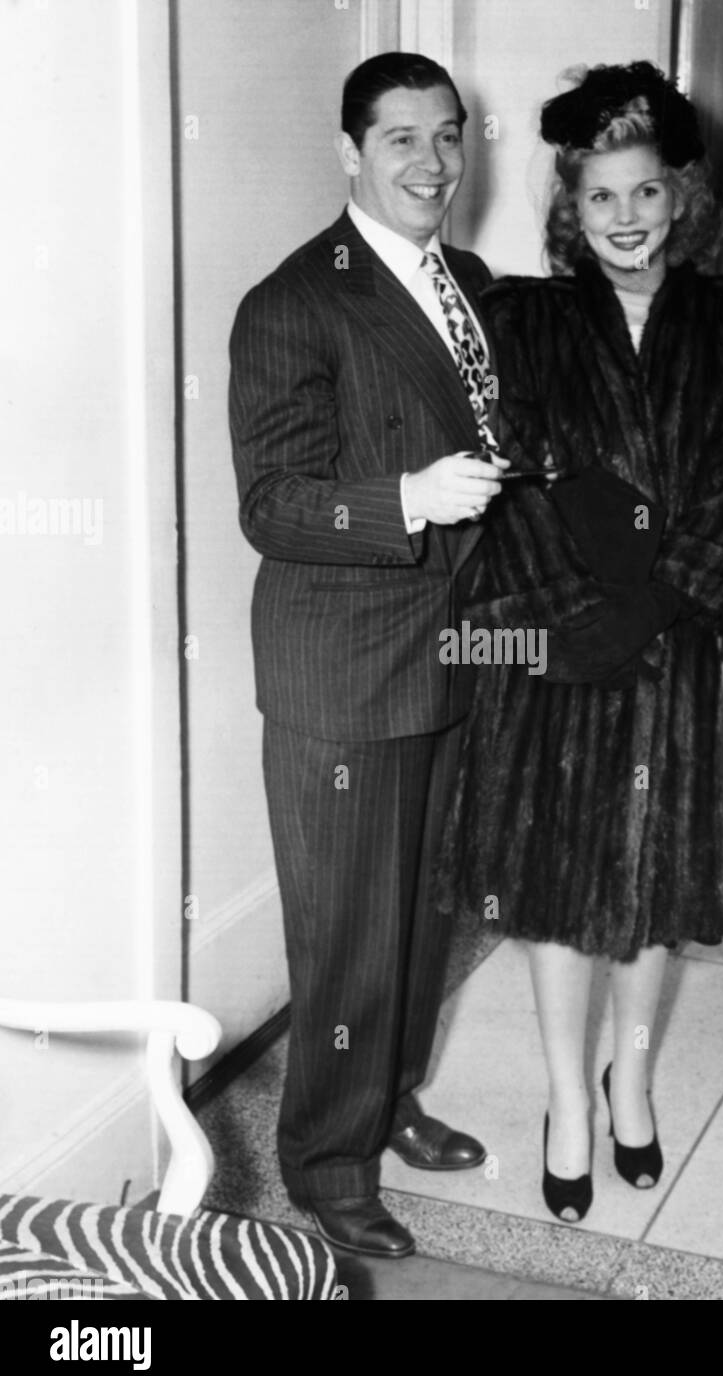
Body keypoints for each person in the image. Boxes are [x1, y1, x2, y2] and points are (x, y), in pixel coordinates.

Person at [438, 62, 723, 1222]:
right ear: (571, 208)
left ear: (682, 198)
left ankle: (631, 1081)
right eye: (601, 199)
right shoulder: (527, 321)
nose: (626, 220)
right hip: (568, 647)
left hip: (684, 645)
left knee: (659, 890)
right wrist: (571, 620)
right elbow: (513, 479)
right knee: (558, 891)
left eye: (645, 194)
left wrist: (660, 600)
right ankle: (565, 1099)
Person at [228, 52, 510, 1259]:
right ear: (349, 153)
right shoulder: (294, 301)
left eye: (446, 136)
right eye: (400, 139)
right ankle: (326, 1164)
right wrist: (409, 496)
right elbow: (272, 502)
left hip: (448, 654)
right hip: (340, 671)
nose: (431, 163)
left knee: (419, 913)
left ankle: (389, 1102)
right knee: (346, 930)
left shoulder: (473, 281)